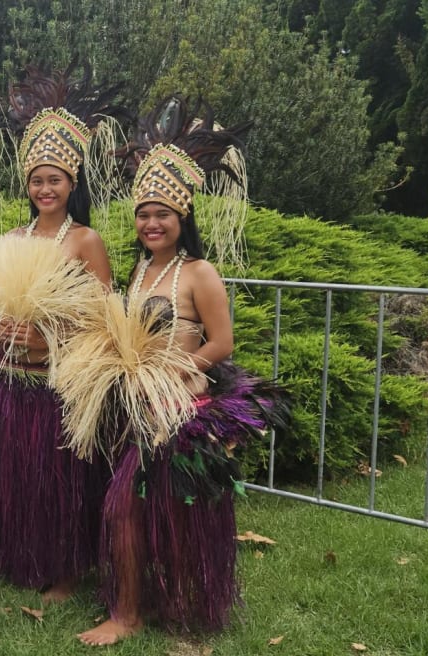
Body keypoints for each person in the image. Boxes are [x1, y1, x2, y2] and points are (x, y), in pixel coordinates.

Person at [74, 97, 287, 646]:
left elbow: (223, 343)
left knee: (170, 515)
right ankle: (130, 608)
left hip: (183, 409)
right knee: (124, 510)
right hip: (138, 409)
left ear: (182, 217)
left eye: (162, 215)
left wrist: (174, 372)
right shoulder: (140, 271)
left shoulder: (199, 273)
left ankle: (167, 605)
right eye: (143, 214)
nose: (151, 223)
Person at [0, 66, 121, 601]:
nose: (45, 189)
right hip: (14, 379)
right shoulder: (12, 239)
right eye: (37, 180)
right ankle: (24, 558)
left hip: (59, 382)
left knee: (60, 479)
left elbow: (104, 316)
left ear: (72, 183)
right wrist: (2, 326)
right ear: (28, 184)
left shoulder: (86, 241)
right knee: (19, 475)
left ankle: (65, 571)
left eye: (55, 180)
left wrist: (49, 339)